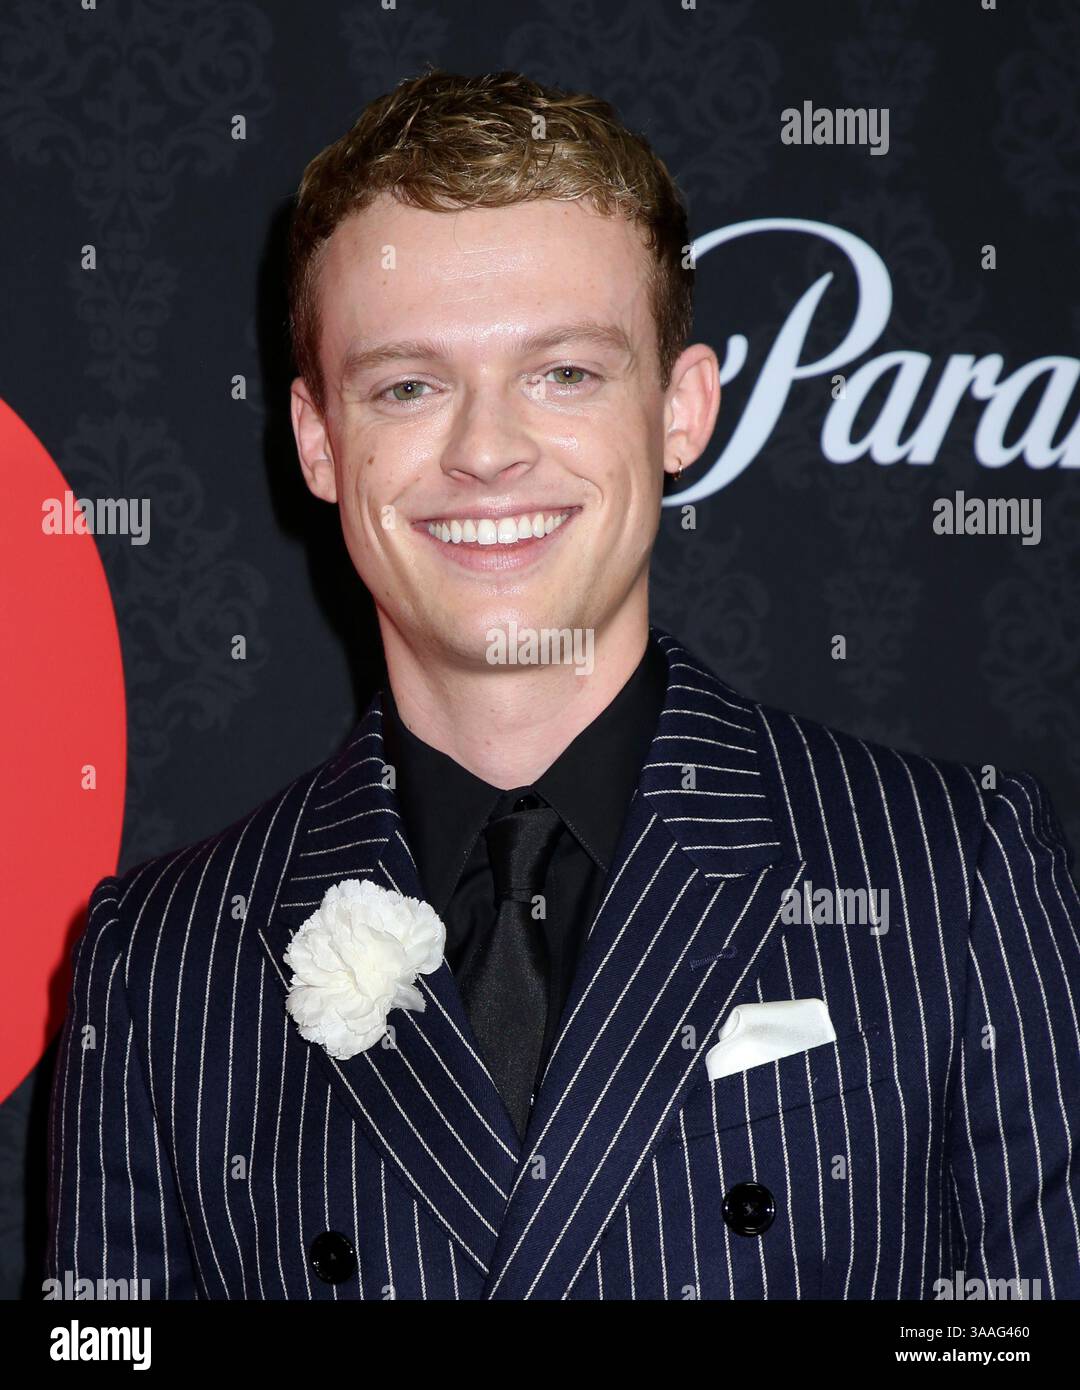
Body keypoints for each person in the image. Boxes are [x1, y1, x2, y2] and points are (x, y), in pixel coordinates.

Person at [46, 67, 1080, 1301]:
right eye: (409, 386)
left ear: (681, 412)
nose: (486, 451)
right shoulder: (162, 963)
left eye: (565, 374)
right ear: (320, 440)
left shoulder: (952, 877)